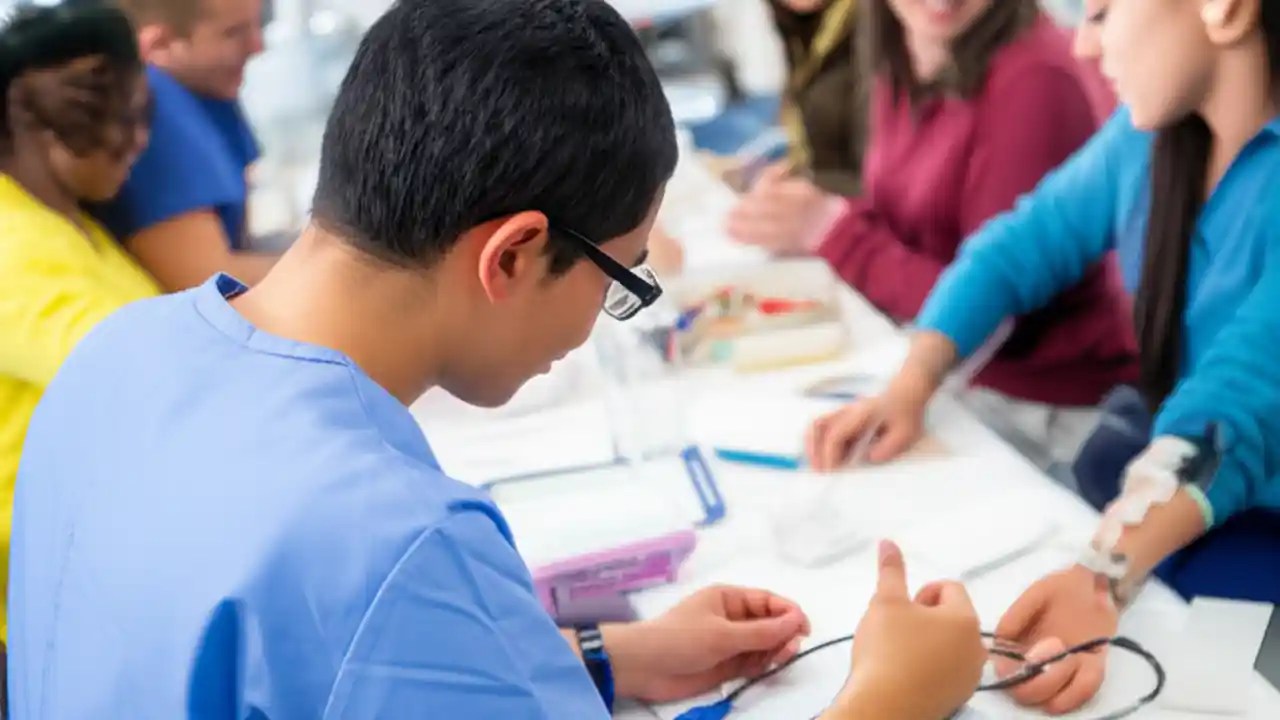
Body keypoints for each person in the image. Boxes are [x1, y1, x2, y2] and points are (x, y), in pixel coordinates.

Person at [8, 1, 987, 716]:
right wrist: (889, 700)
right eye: (620, 279)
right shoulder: (399, 543)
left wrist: (599, 659)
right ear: (513, 253)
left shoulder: (116, 356)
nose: (595, 322)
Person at [810, 0, 1280, 713]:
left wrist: (1100, 574)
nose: (1085, 46)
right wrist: (910, 383)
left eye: (1099, 11)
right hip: (1194, 498)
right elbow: (1017, 247)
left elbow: (1241, 395)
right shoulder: (1146, 140)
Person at [757, 0, 1138, 470]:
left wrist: (836, 234)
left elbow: (1005, 303)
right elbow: (971, 245)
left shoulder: (1039, 79)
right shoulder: (904, 46)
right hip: (956, 374)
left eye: (1103, 15)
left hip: (1037, 405)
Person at [0, 1, 157, 660]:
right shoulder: (10, 240)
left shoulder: (79, 230)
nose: (141, 141)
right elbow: (125, 361)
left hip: (86, 587)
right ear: (42, 122)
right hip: (28, 616)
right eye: (124, 118)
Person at [90, 0, 275, 291]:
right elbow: (209, 284)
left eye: (259, 23)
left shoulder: (211, 88)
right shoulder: (148, 111)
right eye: (233, 33)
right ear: (160, 45)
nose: (258, 46)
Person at [725, 0, 861, 255]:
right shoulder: (799, 22)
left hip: (862, 240)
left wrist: (816, 206)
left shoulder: (888, 23)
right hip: (830, 237)